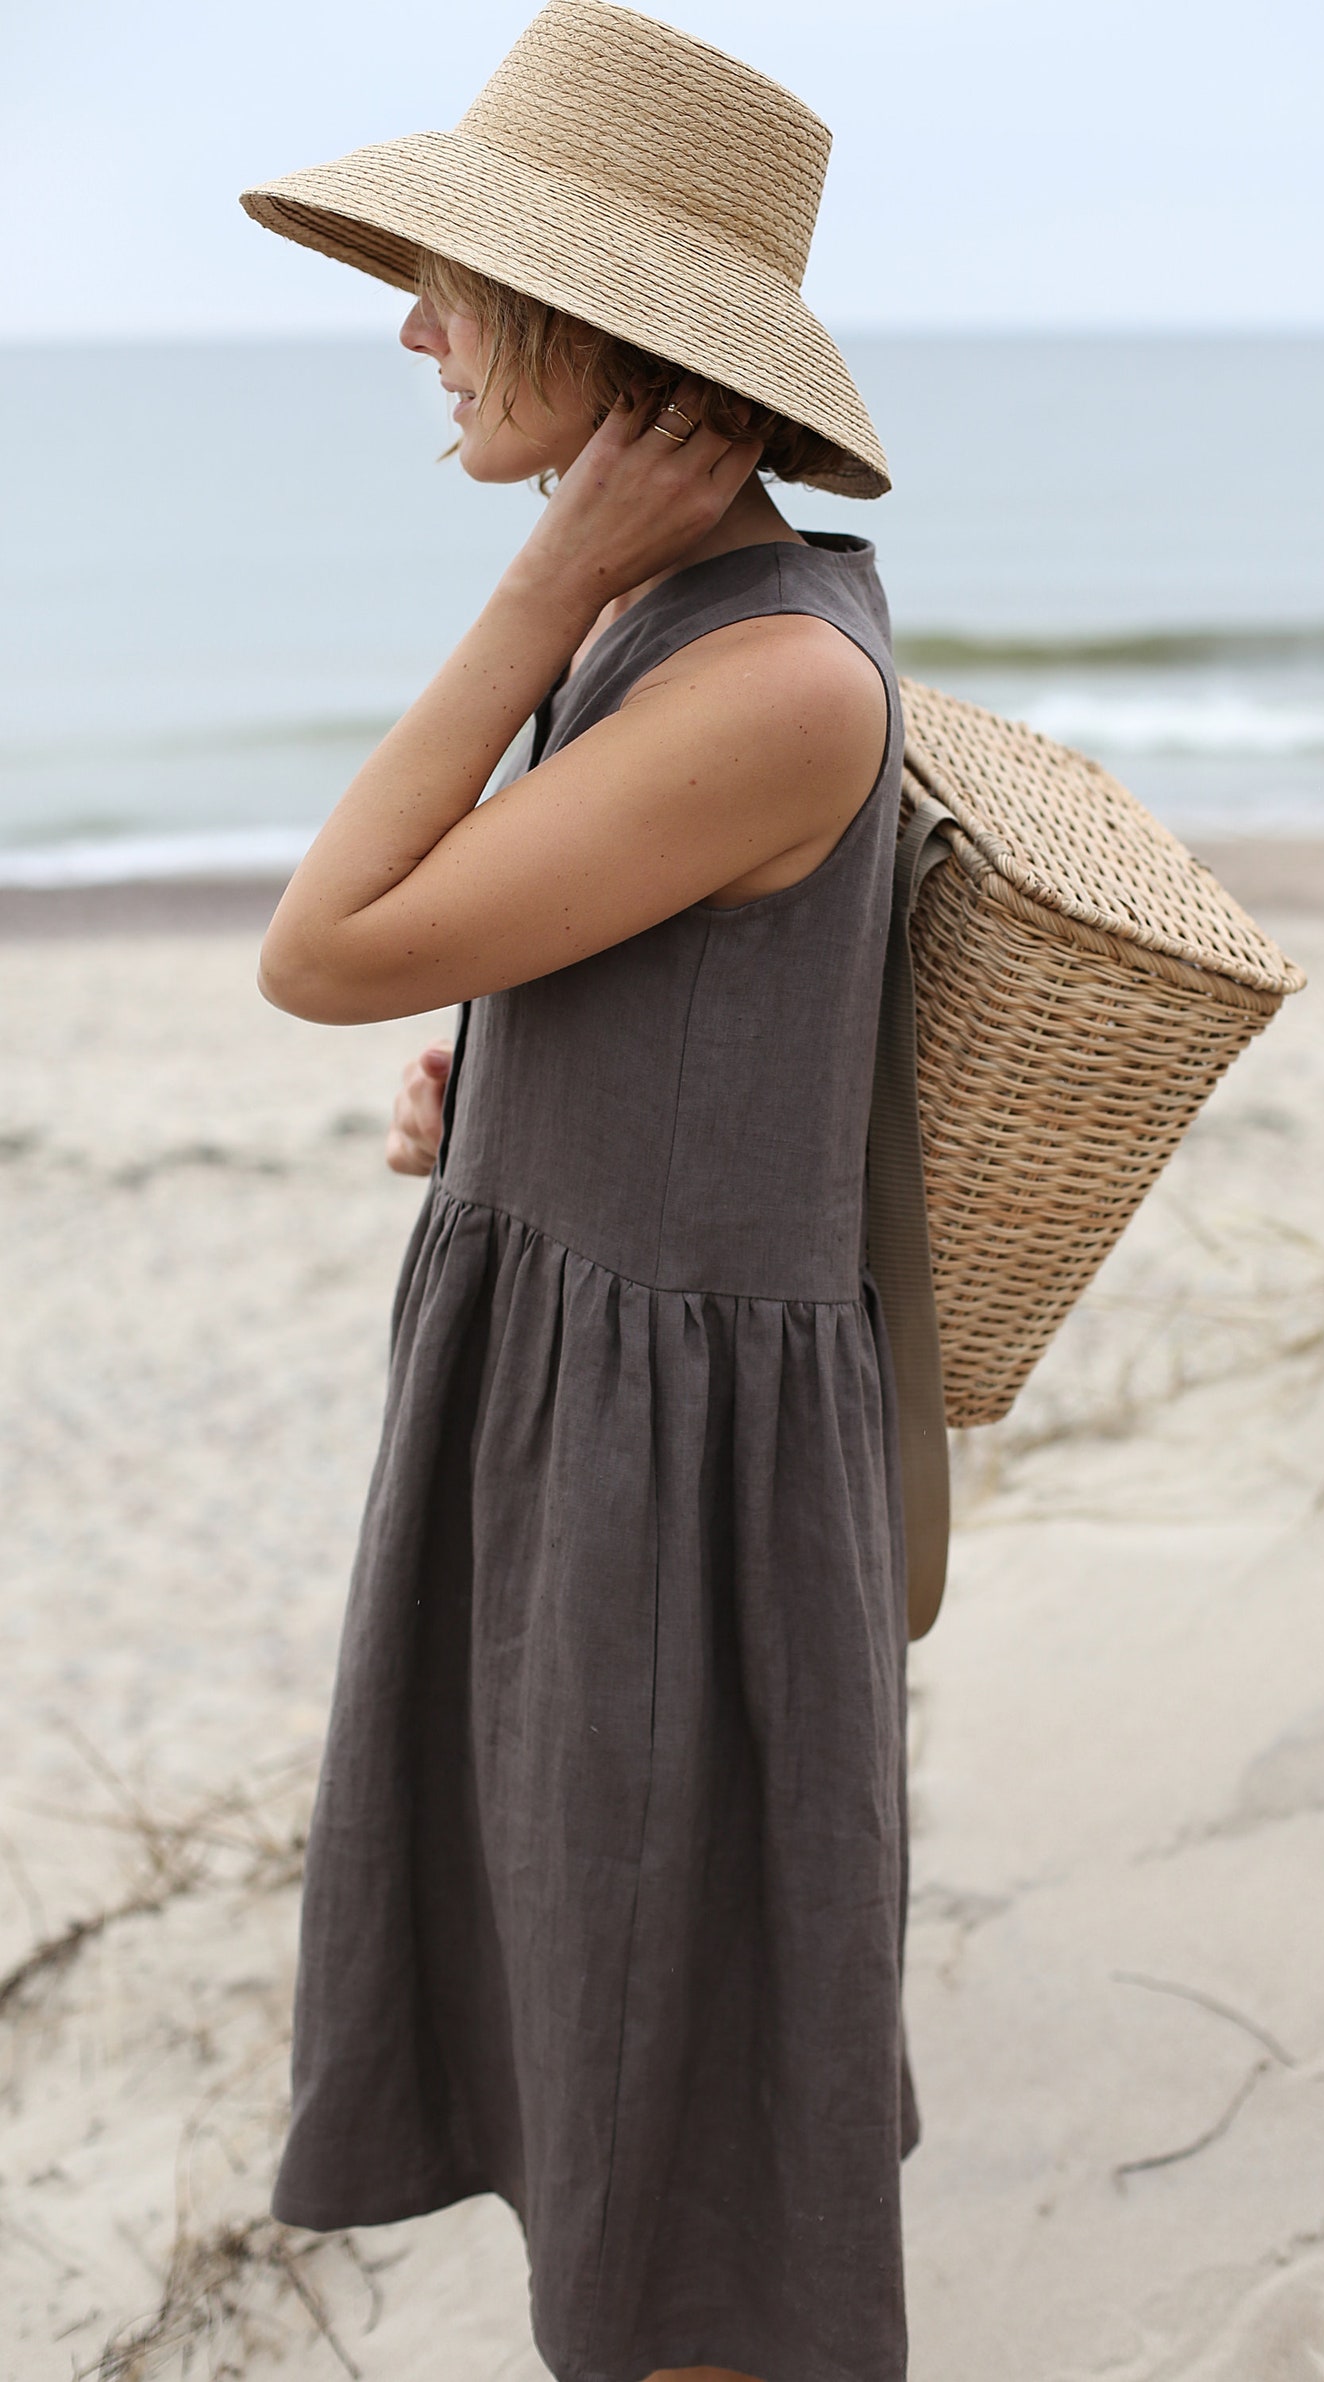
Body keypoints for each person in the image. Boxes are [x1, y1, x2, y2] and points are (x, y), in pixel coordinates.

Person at [241, 5, 915, 2380]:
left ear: (610, 349)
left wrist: (539, 581)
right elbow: (557, 972)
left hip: (669, 1498)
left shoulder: (755, 677)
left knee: (681, 2136)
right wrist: (519, 1071)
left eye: (451, 280)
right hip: (559, 1407)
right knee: (586, 2056)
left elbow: (312, 950)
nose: (412, 327)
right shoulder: (659, 631)